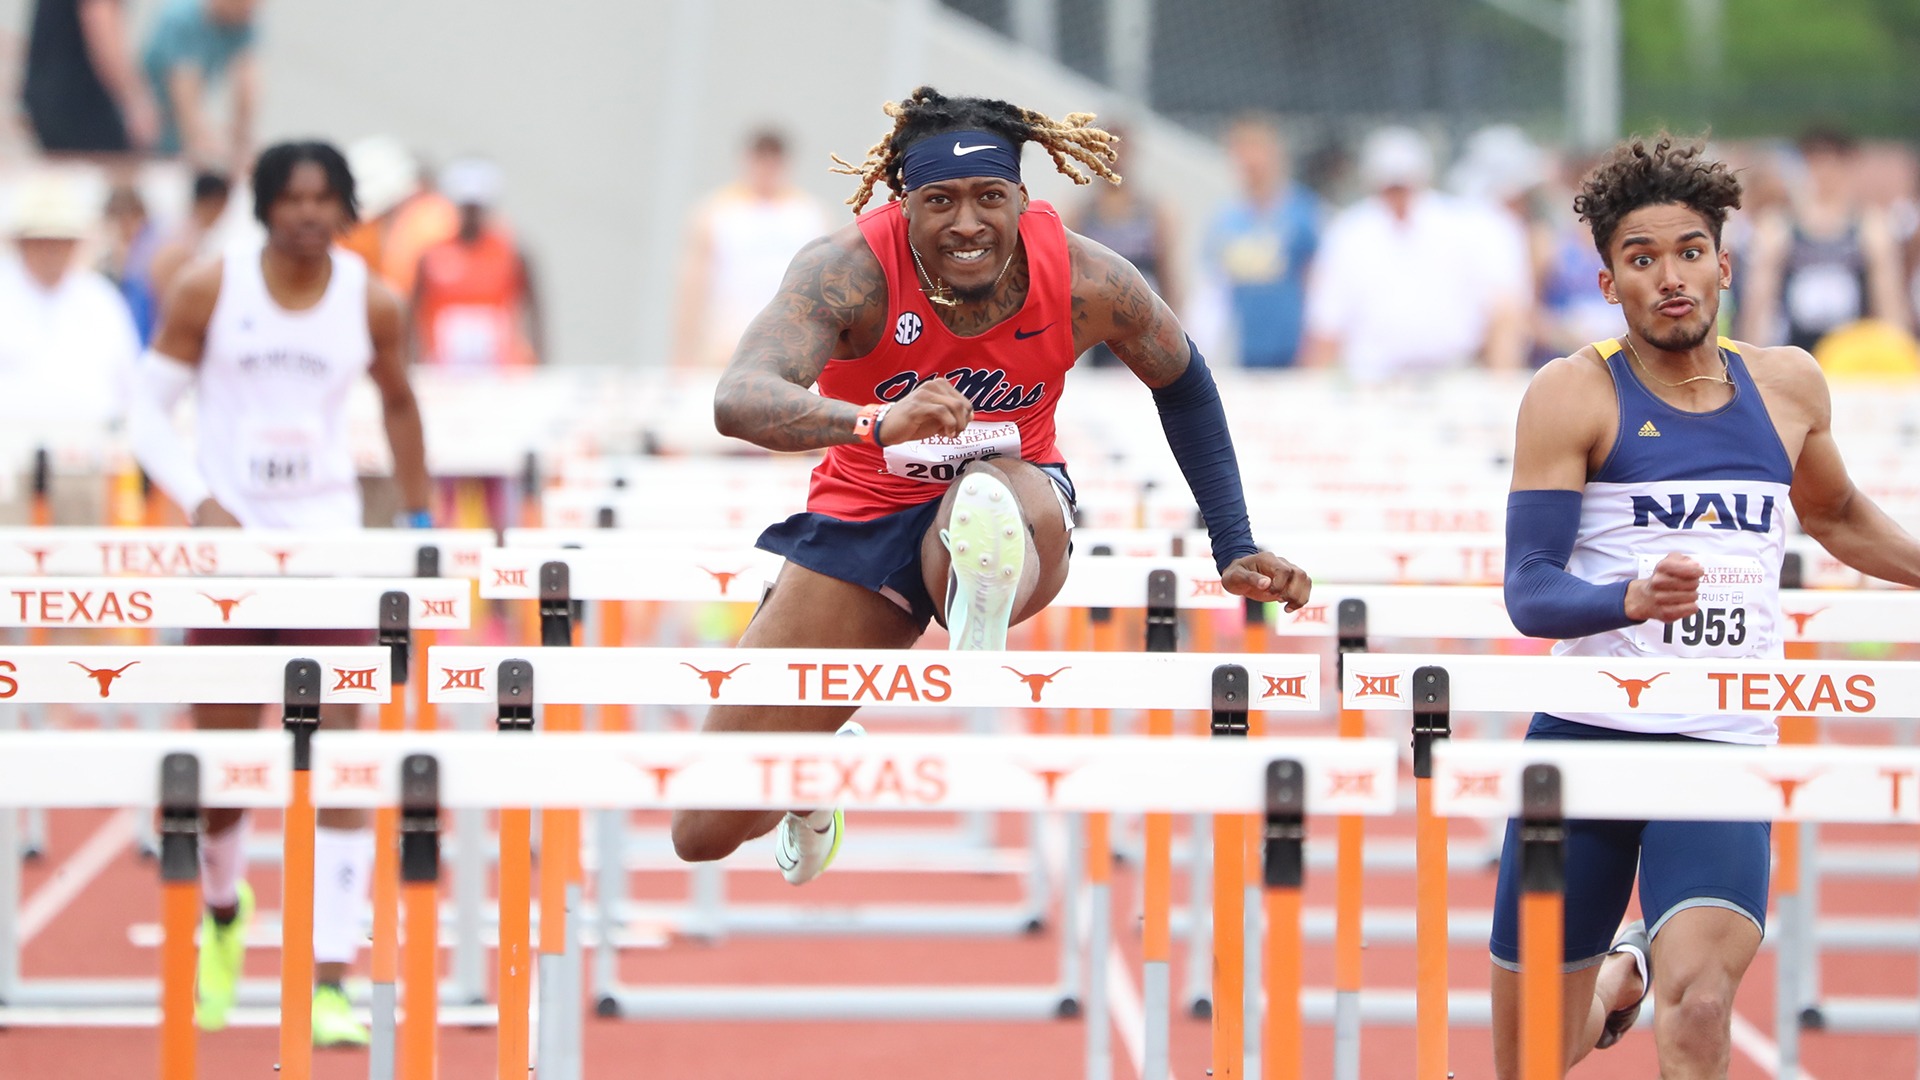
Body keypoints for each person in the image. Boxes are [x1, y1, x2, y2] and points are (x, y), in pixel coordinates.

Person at [674, 87, 1311, 885]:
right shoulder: (847, 271)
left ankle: (978, 598)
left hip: (1021, 505)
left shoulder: (1086, 277)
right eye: (939, 200)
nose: (967, 223)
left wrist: (1234, 541)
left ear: (1022, 198)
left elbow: (1183, 381)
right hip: (866, 514)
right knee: (701, 829)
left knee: (987, 496)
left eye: (988, 198)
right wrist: (874, 423)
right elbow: (738, 398)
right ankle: (817, 766)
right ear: (904, 204)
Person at [1493, 133, 1920, 1079]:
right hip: (1588, 737)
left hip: (1722, 741)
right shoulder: (1572, 394)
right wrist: (1628, 598)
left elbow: (1838, 513)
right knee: (1533, 1057)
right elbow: (1528, 588)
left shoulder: (1787, 386)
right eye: (1641, 260)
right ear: (1610, 284)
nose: (1671, 278)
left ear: (1724, 264)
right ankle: (1616, 979)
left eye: (1689, 252)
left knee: (1703, 1009)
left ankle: (1658, 971)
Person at [128, 140, 432, 1047]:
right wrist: (201, 500)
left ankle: (329, 975)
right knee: (222, 766)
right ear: (263, 206)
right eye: (291, 197)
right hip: (232, 554)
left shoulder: (370, 300)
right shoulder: (209, 290)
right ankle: (222, 915)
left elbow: (401, 403)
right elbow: (145, 409)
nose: (306, 212)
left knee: (340, 750)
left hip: (329, 546)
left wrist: (417, 528)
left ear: (344, 209)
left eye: (322, 198)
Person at [1300, 125, 1530, 380]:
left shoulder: (1465, 228)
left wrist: (1502, 384)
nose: (1399, 198)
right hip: (1373, 382)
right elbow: (1325, 329)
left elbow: (1503, 313)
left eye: (1404, 187)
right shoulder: (1348, 235)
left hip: (1452, 377)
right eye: (1391, 188)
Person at [1738, 128, 1911, 353]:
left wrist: (1899, 354)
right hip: (1798, 352)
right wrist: (1751, 355)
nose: (1824, 172)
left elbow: (1889, 301)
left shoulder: (1871, 227)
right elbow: (1759, 303)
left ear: (1847, 166)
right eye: (1816, 163)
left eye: (1831, 163)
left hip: (1853, 355)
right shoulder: (1779, 227)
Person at [672, 129, 830, 368]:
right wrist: (683, 355)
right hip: (727, 347)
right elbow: (693, 286)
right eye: (760, 159)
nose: (766, 168)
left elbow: (825, 287)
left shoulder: (810, 214)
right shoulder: (716, 212)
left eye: (773, 160)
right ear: (747, 161)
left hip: (789, 347)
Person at [0, 173, 143, 432]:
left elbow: (130, 385)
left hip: (92, 448)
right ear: (21, 243)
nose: (51, 251)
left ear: (75, 244)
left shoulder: (101, 299)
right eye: (41, 241)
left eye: (60, 241)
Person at [1202, 115, 1319, 368]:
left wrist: (1314, 346)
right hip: (1244, 346)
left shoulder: (1301, 213)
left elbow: (1316, 283)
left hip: (1292, 346)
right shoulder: (1227, 221)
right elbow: (1215, 288)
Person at [410, 157, 543, 370]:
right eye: (466, 207)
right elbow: (412, 315)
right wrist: (413, 364)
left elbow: (534, 310)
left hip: (501, 369)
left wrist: (541, 363)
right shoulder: (432, 255)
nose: (471, 215)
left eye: (477, 207)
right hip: (443, 370)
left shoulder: (512, 253)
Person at [1068, 123, 1181, 367]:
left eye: (1118, 149)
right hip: (1100, 328)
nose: (1112, 158)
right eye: (1104, 150)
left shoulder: (1154, 212)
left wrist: (1177, 324)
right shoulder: (1079, 214)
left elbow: (1166, 270)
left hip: (1145, 321)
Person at [20, 0, 159, 155]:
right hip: (78, 97)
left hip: (52, 92)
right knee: (114, 169)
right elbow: (100, 24)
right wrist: (136, 101)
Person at [140, 0, 258, 172]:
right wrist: (202, 141)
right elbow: (183, 93)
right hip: (151, 121)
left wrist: (242, 141)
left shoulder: (245, 21)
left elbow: (247, 86)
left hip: (180, 121)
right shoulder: (182, 19)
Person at [147, 170, 232, 301]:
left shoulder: (187, 233)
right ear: (215, 202)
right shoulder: (181, 238)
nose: (224, 213)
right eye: (224, 205)